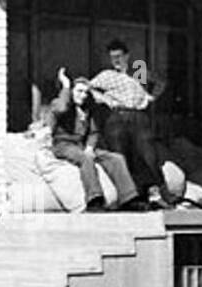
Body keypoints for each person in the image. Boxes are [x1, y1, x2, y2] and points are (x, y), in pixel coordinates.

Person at [50, 68, 142, 212]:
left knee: (116, 158)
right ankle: (94, 200)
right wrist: (66, 87)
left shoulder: (87, 110)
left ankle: (129, 198)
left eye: (86, 92)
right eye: (79, 91)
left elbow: (94, 131)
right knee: (86, 159)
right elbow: (61, 108)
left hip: (81, 145)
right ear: (72, 92)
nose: (83, 95)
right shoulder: (61, 103)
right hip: (64, 145)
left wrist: (90, 147)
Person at [91, 39, 170, 206]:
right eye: (113, 58)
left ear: (127, 56)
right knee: (121, 154)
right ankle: (130, 196)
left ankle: (155, 193)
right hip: (117, 116)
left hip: (138, 115)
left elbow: (160, 82)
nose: (116, 61)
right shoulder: (107, 75)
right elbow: (89, 87)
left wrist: (151, 97)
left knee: (147, 153)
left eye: (119, 56)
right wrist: (104, 99)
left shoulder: (137, 70)